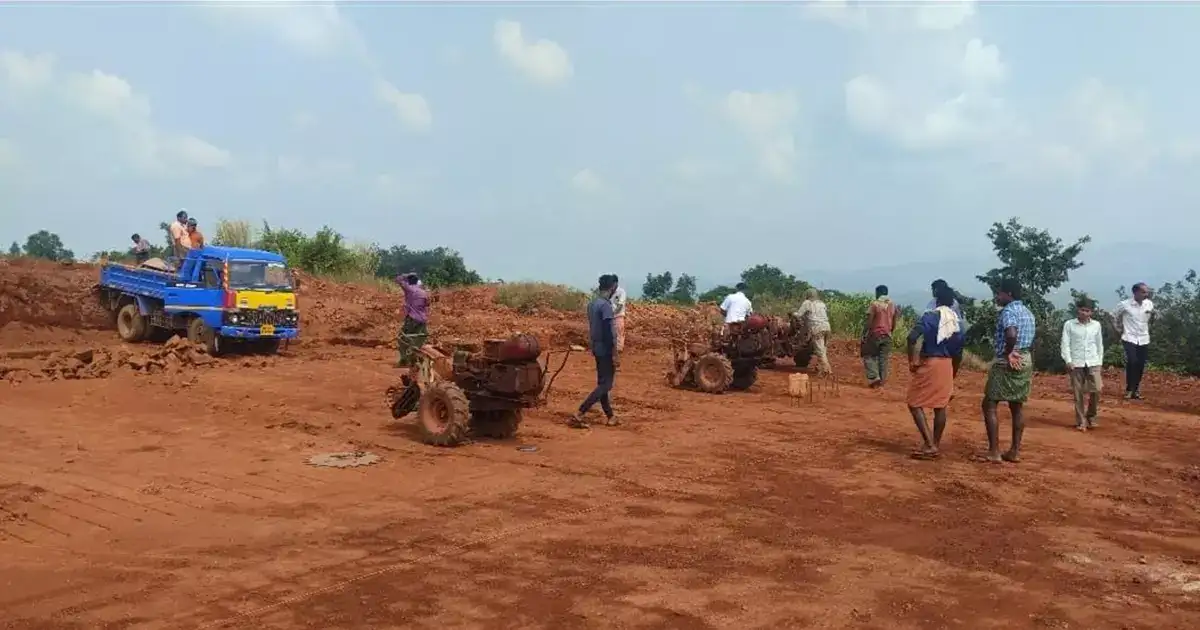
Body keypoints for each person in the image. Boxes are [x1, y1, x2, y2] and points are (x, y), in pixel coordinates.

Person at [905, 285, 964, 460]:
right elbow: (959, 351)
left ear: (936, 300)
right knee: (940, 405)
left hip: (930, 361)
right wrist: (953, 371)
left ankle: (929, 444)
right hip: (947, 364)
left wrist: (912, 361)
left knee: (914, 402)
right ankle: (934, 444)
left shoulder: (929, 317)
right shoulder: (956, 322)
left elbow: (911, 337)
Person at [981, 278, 1036, 464]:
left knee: (989, 403)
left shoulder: (1008, 311)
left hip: (1009, 359)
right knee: (1017, 405)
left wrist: (1007, 353)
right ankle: (1015, 451)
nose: (998, 296)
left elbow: (1011, 334)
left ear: (1008, 294)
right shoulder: (1028, 312)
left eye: (1000, 293)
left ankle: (994, 452)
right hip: (1025, 358)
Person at [569, 274, 622, 429]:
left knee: (602, 384)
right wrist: (614, 353)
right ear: (612, 287)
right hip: (605, 349)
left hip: (597, 348)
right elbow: (608, 332)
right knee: (606, 385)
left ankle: (610, 416)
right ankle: (580, 412)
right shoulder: (605, 306)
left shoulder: (592, 304)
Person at [1062, 296, 1104, 431]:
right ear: (1077, 310)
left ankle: (1091, 416)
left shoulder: (1096, 325)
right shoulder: (1069, 324)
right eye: (1082, 310)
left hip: (1093, 361)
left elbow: (1099, 344)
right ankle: (1081, 421)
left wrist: (1100, 361)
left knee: (1097, 389)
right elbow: (1065, 343)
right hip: (1076, 362)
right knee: (1078, 393)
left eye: (1087, 310)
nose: (1084, 313)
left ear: (1091, 312)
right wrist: (1068, 360)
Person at [1113, 283, 1155, 400]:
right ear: (1135, 293)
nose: (1146, 294)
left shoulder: (1149, 304)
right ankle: (1129, 389)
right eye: (1143, 292)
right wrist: (1117, 329)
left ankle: (1135, 390)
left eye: (1146, 292)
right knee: (1132, 361)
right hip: (1129, 337)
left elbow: (1151, 318)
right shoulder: (1125, 305)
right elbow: (1113, 315)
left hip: (1144, 338)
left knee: (1140, 364)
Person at [926, 279, 969, 376]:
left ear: (937, 290)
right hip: (957, 332)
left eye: (933, 289)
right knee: (955, 356)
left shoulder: (935, 303)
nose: (932, 291)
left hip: (946, 331)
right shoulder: (954, 301)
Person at [861, 285, 900, 388]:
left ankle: (874, 378)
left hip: (875, 334)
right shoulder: (892, 304)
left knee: (868, 355)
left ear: (878, 293)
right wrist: (890, 331)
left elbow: (869, 321)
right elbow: (894, 321)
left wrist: (864, 333)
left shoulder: (875, 304)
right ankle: (882, 382)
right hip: (887, 335)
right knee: (883, 359)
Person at [793, 288, 832, 374]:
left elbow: (799, 315)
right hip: (827, 327)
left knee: (820, 351)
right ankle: (820, 368)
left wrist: (794, 314)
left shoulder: (807, 303)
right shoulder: (821, 303)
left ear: (807, 295)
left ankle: (827, 370)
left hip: (817, 328)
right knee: (823, 349)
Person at [394, 273, 430, 367]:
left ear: (409, 282)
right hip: (422, 319)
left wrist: (405, 275)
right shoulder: (424, 292)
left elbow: (398, 280)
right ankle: (414, 356)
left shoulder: (409, 289)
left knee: (402, 338)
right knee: (420, 337)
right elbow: (427, 304)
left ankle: (405, 360)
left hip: (412, 318)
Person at [610, 274, 628, 352]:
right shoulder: (609, 291)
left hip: (618, 315)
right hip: (609, 316)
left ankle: (619, 349)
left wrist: (613, 313)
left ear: (616, 283)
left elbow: (620, 305)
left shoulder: (621, 292)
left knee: (619, 332)